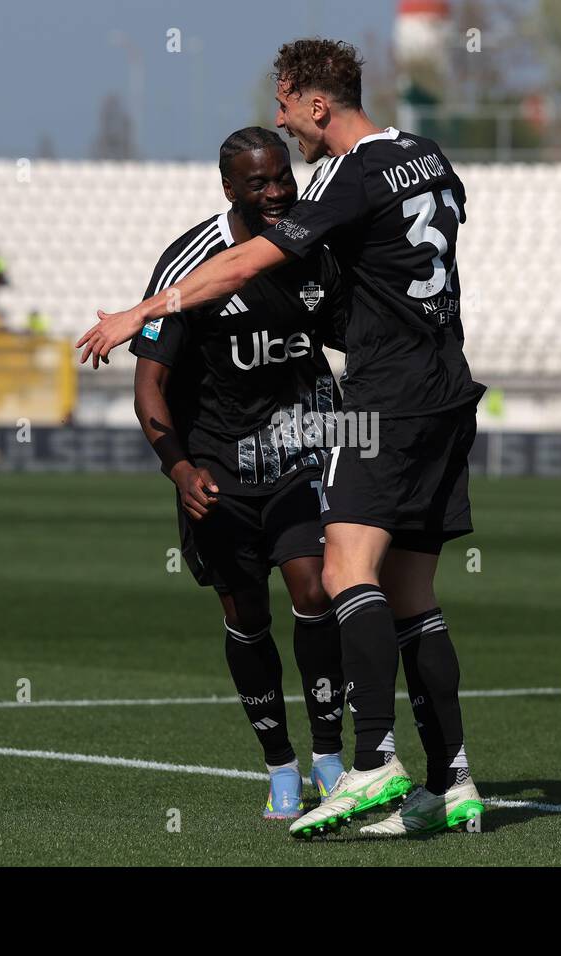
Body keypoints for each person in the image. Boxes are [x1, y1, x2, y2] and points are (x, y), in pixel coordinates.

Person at [78, 39, 486, 838]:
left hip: (385, 400)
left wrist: (142, 311)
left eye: (286, 104)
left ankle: (370, 764)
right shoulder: (428, 156)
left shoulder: (348, 174)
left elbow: (244, 266)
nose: (284, 120)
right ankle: (452, 780)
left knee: (343, 571)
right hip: (449, 391)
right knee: (413, 596)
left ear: (317, 104)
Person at [128, 127, 350, 820]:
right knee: (246, 614)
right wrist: (179, 468)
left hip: (302, 451)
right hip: (218, 469)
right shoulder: (189, 264)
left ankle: (330, 758)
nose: (277, 191)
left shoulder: (316, 249)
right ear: (230, 188)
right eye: (260, 183)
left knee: (315, 590)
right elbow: (149, 384)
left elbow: (354, 331)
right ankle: (280, 766)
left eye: (283, 176)